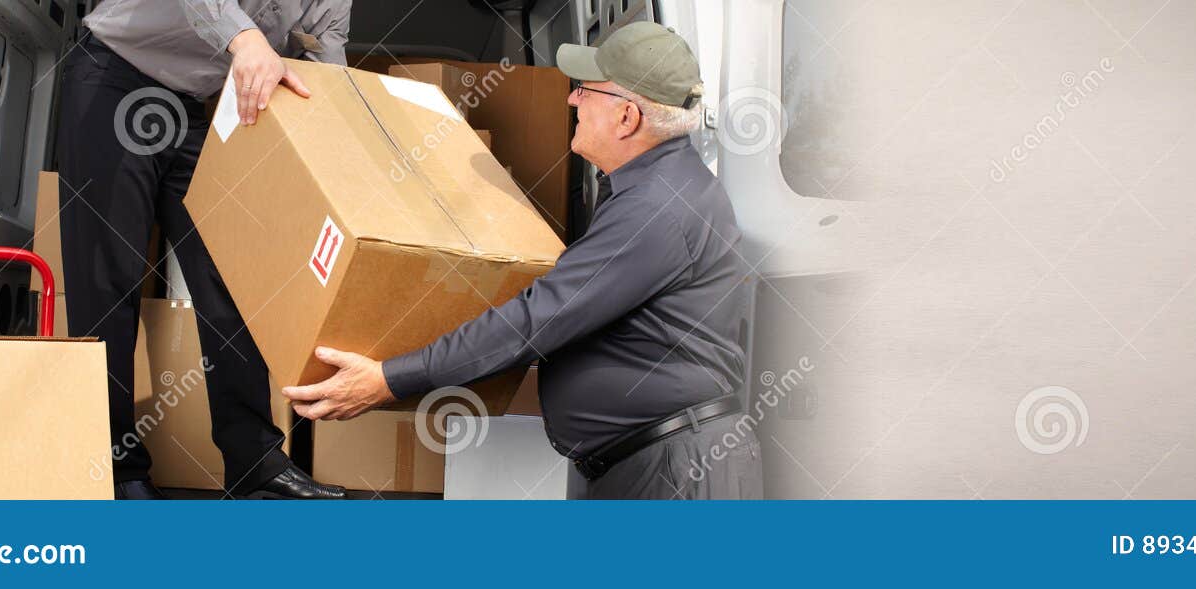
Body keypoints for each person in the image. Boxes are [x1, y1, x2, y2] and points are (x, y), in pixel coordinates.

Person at [281, 22, 763, 500]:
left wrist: (389, 379)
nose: (572, 99)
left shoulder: (656, 208)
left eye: (587, 90)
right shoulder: (660, 185)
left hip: (676, 478)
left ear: (626, 118)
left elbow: (535, 319)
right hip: (655, 463)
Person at [56, 0, 353, 499]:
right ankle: (118, 470)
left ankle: (254, 463)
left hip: (199, 108)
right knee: (108, 283)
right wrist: (247, 40)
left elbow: (326, 56)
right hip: (117, 77)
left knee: (231, 279)